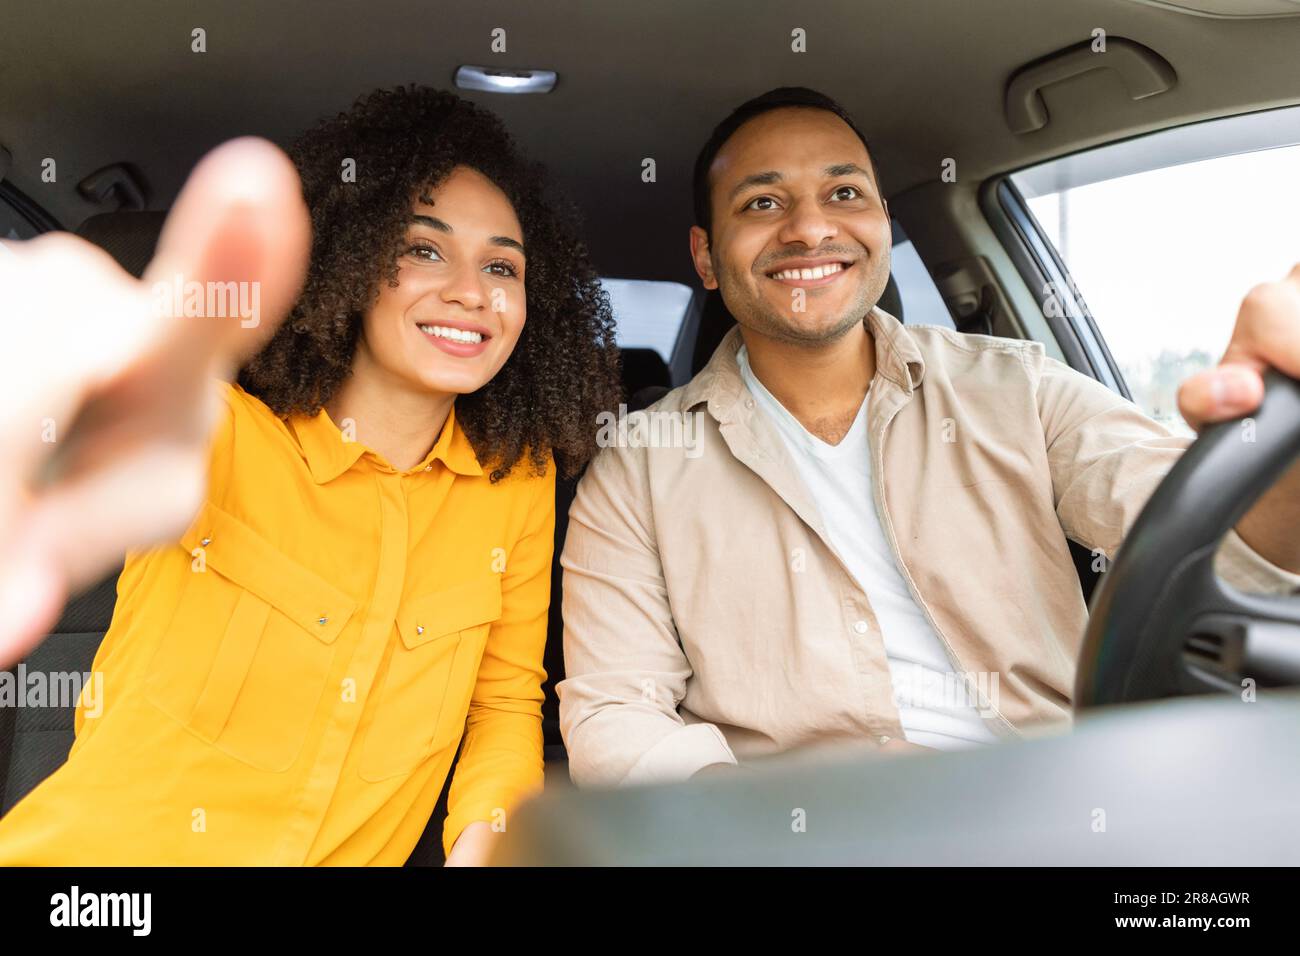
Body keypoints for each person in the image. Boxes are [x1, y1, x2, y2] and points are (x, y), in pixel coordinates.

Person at [557, 87, 1300, 785]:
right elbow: (619, 714)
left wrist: (1281, 444)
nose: (811, 227)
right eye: (763, 201)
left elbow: (1215, 538)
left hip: (1060, 806)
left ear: (881, 223)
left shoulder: (1018, 389)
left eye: (843, 193)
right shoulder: (637, 469)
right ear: (706, 258)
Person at [0, 86, 620, 864]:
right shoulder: (214, 432)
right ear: (350, 261)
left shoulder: (514, 486)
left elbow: (502, 705)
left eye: (503, 265)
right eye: (422, 248)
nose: (472, 291)